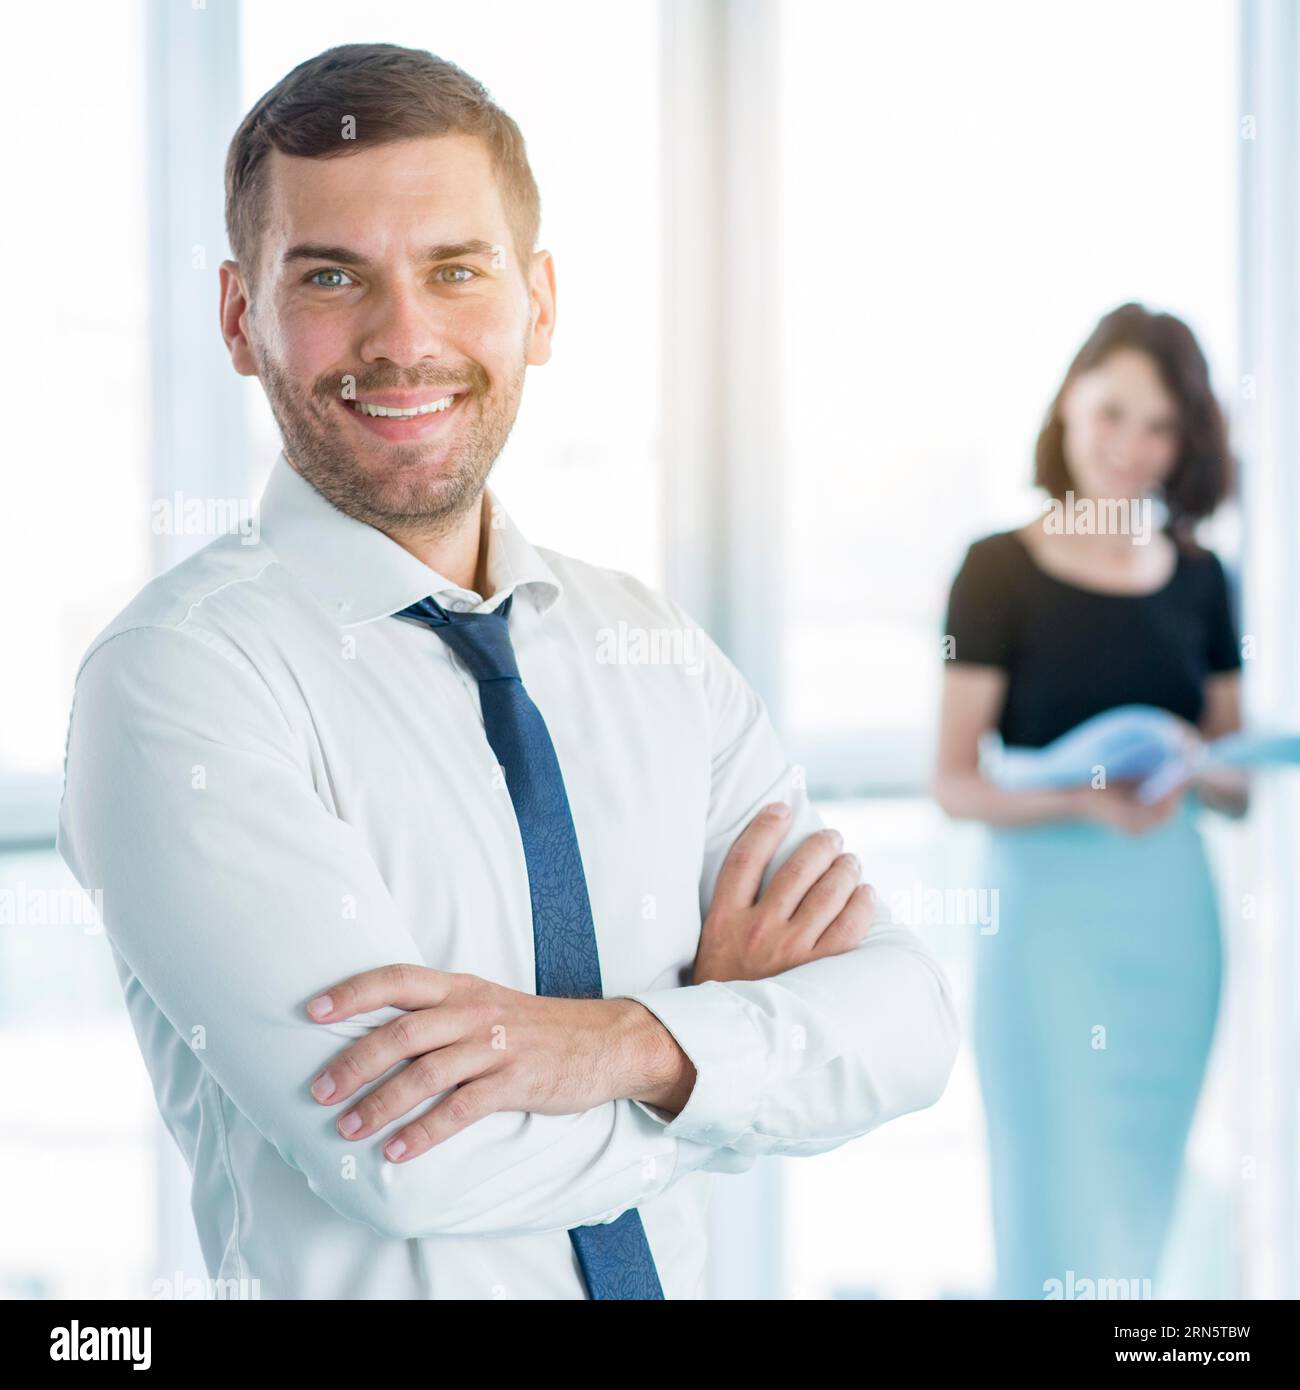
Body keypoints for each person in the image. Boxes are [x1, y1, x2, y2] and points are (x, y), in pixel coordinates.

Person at [57, 43, 958, 1301]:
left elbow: (909, 1026)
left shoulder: (647, 646)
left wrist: (625, 1043)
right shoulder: (180, 683)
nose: (402, 337)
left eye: (455, 270)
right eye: (330, 275)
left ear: (539, 302)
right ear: (236, 317)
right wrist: (726, 1063)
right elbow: (412, 1157)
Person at [932, 302, 1247, 1299]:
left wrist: (1193, 763)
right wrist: (1083, 800)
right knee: (1048, 1195)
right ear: (1068, 400)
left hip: (1172, 923)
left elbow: (1234, 782)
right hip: (1046, 928)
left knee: (1143, 1203)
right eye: (1111, 413)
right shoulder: (996, 569)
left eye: (1158, 427)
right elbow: (955, 781)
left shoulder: (1202, 579)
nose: (1128, 447)